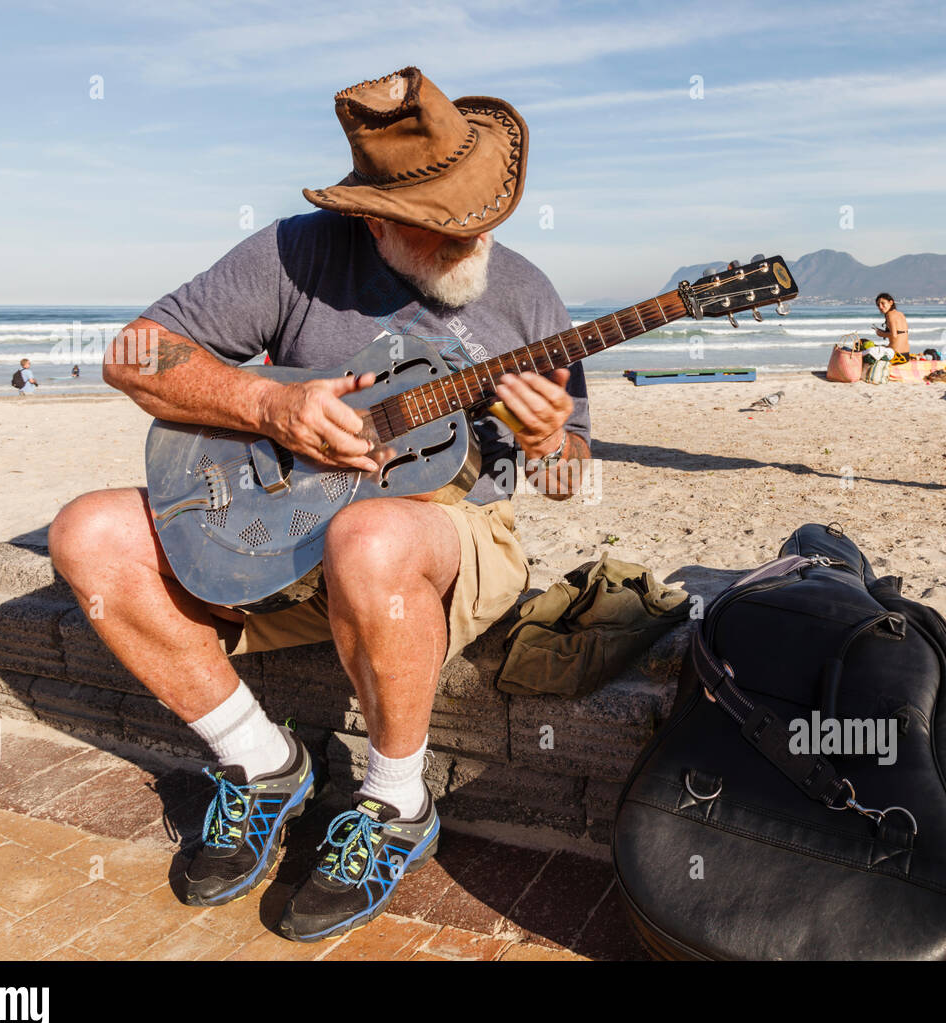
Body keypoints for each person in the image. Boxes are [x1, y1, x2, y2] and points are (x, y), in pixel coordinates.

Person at [47, 67, 592, 943]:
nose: (471, 242)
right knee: (88, 531)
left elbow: (568, 478)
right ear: (372, 217)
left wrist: (547, 442)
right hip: (285, 518)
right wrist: (267, 407)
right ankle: (261, 763)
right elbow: (132, 354)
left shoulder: (528, 297)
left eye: (482, 219)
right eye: (441, 230)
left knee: (370, 535)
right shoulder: (297, 253)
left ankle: (396, 804)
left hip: (439, 538)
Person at [873, 293, 909, 357]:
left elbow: (894, 335)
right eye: (878, 305)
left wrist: (881, 334)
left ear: (891, 302)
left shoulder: (890, 315)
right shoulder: (900, 314)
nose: (880, 307)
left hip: (896, 355)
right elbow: (899, 333)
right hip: (905, 354)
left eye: (883, 303)